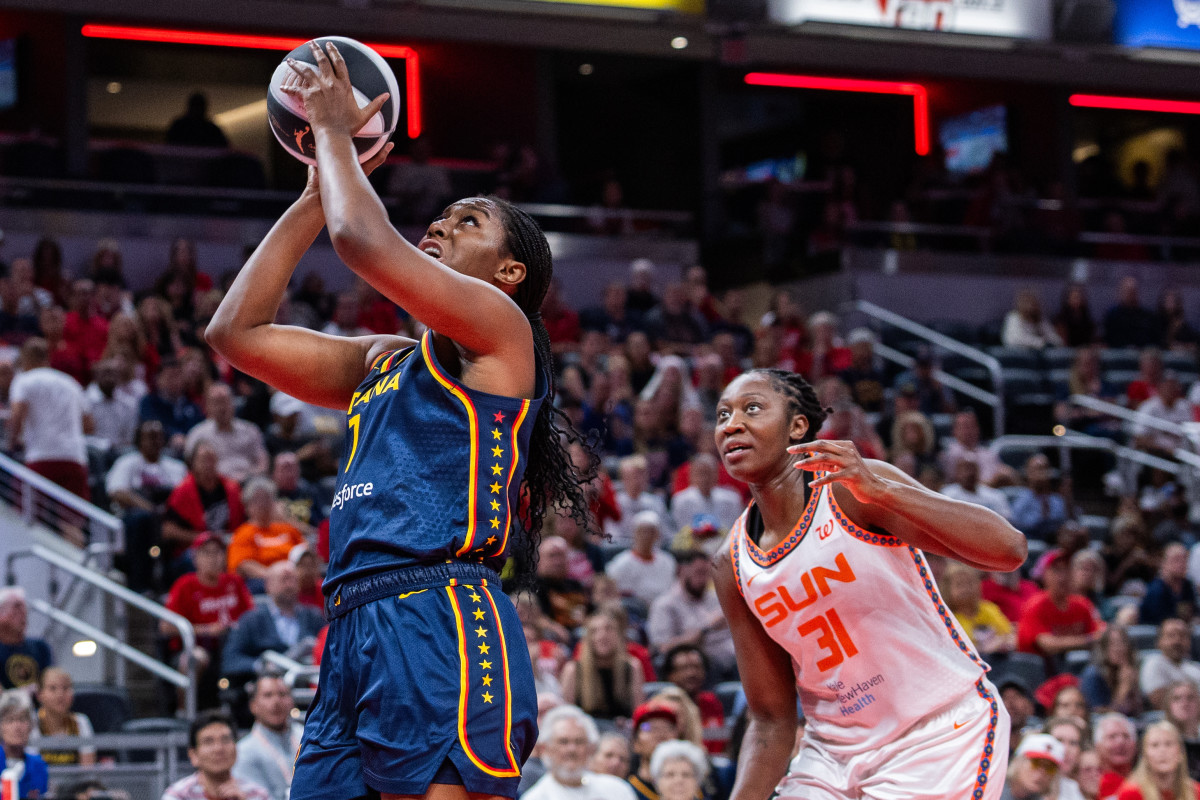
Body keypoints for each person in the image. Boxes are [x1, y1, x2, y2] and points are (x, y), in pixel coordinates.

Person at [207, 40, 592, 800]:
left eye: (469, 220)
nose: (441, 227)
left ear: (510, 273)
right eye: (441, 218)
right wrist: (321, 186)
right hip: (351, 624)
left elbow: (361, 241)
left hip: (441, 615)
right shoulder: (384, 360)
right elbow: (235, 335)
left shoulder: (501, 331)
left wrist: (335, 138)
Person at [711, 368, 1027, 800]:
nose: (732, 425)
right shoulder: (731, 565)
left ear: (797, 426)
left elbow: (1008, 549)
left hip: (934, 733)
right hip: (830, 754)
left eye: (751, 409)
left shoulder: (849, 489)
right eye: (722, 415)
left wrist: (879, 489)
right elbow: (769, 719)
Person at [163, 533, 254, 711]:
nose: (213, 558)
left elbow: (251, 616)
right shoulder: (185, 585)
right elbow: (166, 627)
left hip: (232, 644)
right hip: (199, 646)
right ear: (195, 557)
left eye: (218, 553)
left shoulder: (234, 582)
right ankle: (184, 711)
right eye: (207, 553)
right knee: (195, 658)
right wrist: (206, 630)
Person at [8, 337, 94, 500]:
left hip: (41, 457)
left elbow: (17, 415)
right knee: (71, 522)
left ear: (24, 358)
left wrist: (12, 443)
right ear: (47, 357)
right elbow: (89, 425)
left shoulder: (24, 381)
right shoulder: (71, 383)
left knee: (32, 519)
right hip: (74, 457)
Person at [220, 560, 324, 681]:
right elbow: (230, 660)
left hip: (309, 683)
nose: (289, 585)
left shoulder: (314, 616)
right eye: (284, 579)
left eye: (293, 579)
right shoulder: (251, 620)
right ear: (268, 585)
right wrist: (261, 665)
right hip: (266, 687)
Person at [646, 550, 736, 680]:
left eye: (707, 574)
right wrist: (705, 628)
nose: (704, 579)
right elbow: (662, 649)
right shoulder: (665, 605)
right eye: (699, 573)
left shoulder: (716, 599)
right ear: (682, 570)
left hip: (732, 658)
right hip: (698, 666)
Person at [521, 705, 636, 800]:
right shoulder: (536, 797)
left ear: (591, 748)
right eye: (563, 742)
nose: (572, 749)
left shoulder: (617, 789)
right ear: (545, 748)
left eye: (579, 741)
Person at [558, 607, 644, 722]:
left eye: (609, 629)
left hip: (622, 733)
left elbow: (638, 714)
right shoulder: (573, 669)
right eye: (594, 631)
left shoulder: (632, 667)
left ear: (619, 634)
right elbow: (566, 715)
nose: (602, 636)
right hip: (586, 734)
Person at [162, 710, 270, 800]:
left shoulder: (257, 795)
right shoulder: (179, 795)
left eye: (225, 739)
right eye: (208, 742)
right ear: (193, 755)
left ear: (236, 748)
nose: (218, 748)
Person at [233, 674, 305, 800]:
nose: (276, 702)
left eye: (282, 694)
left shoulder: (306, 737)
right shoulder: (243, 752)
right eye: (268, 695)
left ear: (292, 702)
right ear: (253, 705)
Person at [226, 478, 306, 587]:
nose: (262, 504)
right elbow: (243, 564)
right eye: (257, 499)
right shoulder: (242, 533)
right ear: (247, 506)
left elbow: (305, 554)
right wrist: (276, 576)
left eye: (267, 499)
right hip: (264, 582)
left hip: (295, 579)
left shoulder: (288, 529)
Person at [184, 383, 270, 484]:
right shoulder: (197, 434)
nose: (221, 408)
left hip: (249, 484)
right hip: (215, 486)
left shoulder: (250, 430)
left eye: (225, 401)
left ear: (233, 403)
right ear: (207, 406)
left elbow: (263, 462)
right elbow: (190, 469)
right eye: (217, 403)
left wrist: (251, 476)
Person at [604, 510, 676, 609]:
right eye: (643, 531)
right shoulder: (621, 563)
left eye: (651, 532)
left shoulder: (668, 561)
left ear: (657, 535)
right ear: (635, 533)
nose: (646, 536)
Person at [1115, 720, 1199, 800]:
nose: (1162, 751)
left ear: (1180, 753)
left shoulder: (1196, 792)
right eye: (1155, 745)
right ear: (1144, 755)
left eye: (1168, 744)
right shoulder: (1130, 794)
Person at [31, 667, 95, 766]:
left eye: (65, 688)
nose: (60, 695)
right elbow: (32, 770)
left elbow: (88, 770)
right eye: (52, 688)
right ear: (39, 694)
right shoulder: (31, 722)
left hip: (77, 781)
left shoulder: (81, 722)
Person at [1079, 626, 1142, 717]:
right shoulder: (1093, 675)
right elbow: (1100, 717)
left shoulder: (1131, 670)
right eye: (1113, 644)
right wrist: (1124, 688)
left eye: (1122, 643)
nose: (1119, 649)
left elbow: (1138, 711)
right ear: (1103, 648)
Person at [1140, 618, 1200, 710]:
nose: (1177, 641)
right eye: (1171, 636)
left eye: (1182, 636)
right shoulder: (1154, 663)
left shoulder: (1195, 668)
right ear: (1159, 642)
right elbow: (1159, 703)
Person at [0, 588, 51, 691]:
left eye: (24, 608)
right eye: (16, 607)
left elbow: (52, 683)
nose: (23, 613)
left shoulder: (40, 647)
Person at [0, 690, 48, 799]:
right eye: (10, 720)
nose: (17, 727)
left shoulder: (39, 765)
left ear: (31, 725)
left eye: (22, 719)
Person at [1142, 543, 1197, 627]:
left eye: (1185, 559)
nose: (1182, 563)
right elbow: (1157, 620)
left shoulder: (1187, 585)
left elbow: (1194, 612)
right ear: (1163, 562)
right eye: (1176, 559)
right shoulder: (1156, 589)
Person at [1003, 733, 1066, 800]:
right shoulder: (995, 785)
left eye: (1050, 768)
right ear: (1018, 761)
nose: (1042, 772)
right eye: (1035, 763)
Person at [1095, 713, 1139, 799]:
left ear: (1135, 745)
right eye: (1112, 737)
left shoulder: (1147, 782)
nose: (1120, 742)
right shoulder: (1089, 785)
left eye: (1126, 736)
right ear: (1097, 746)